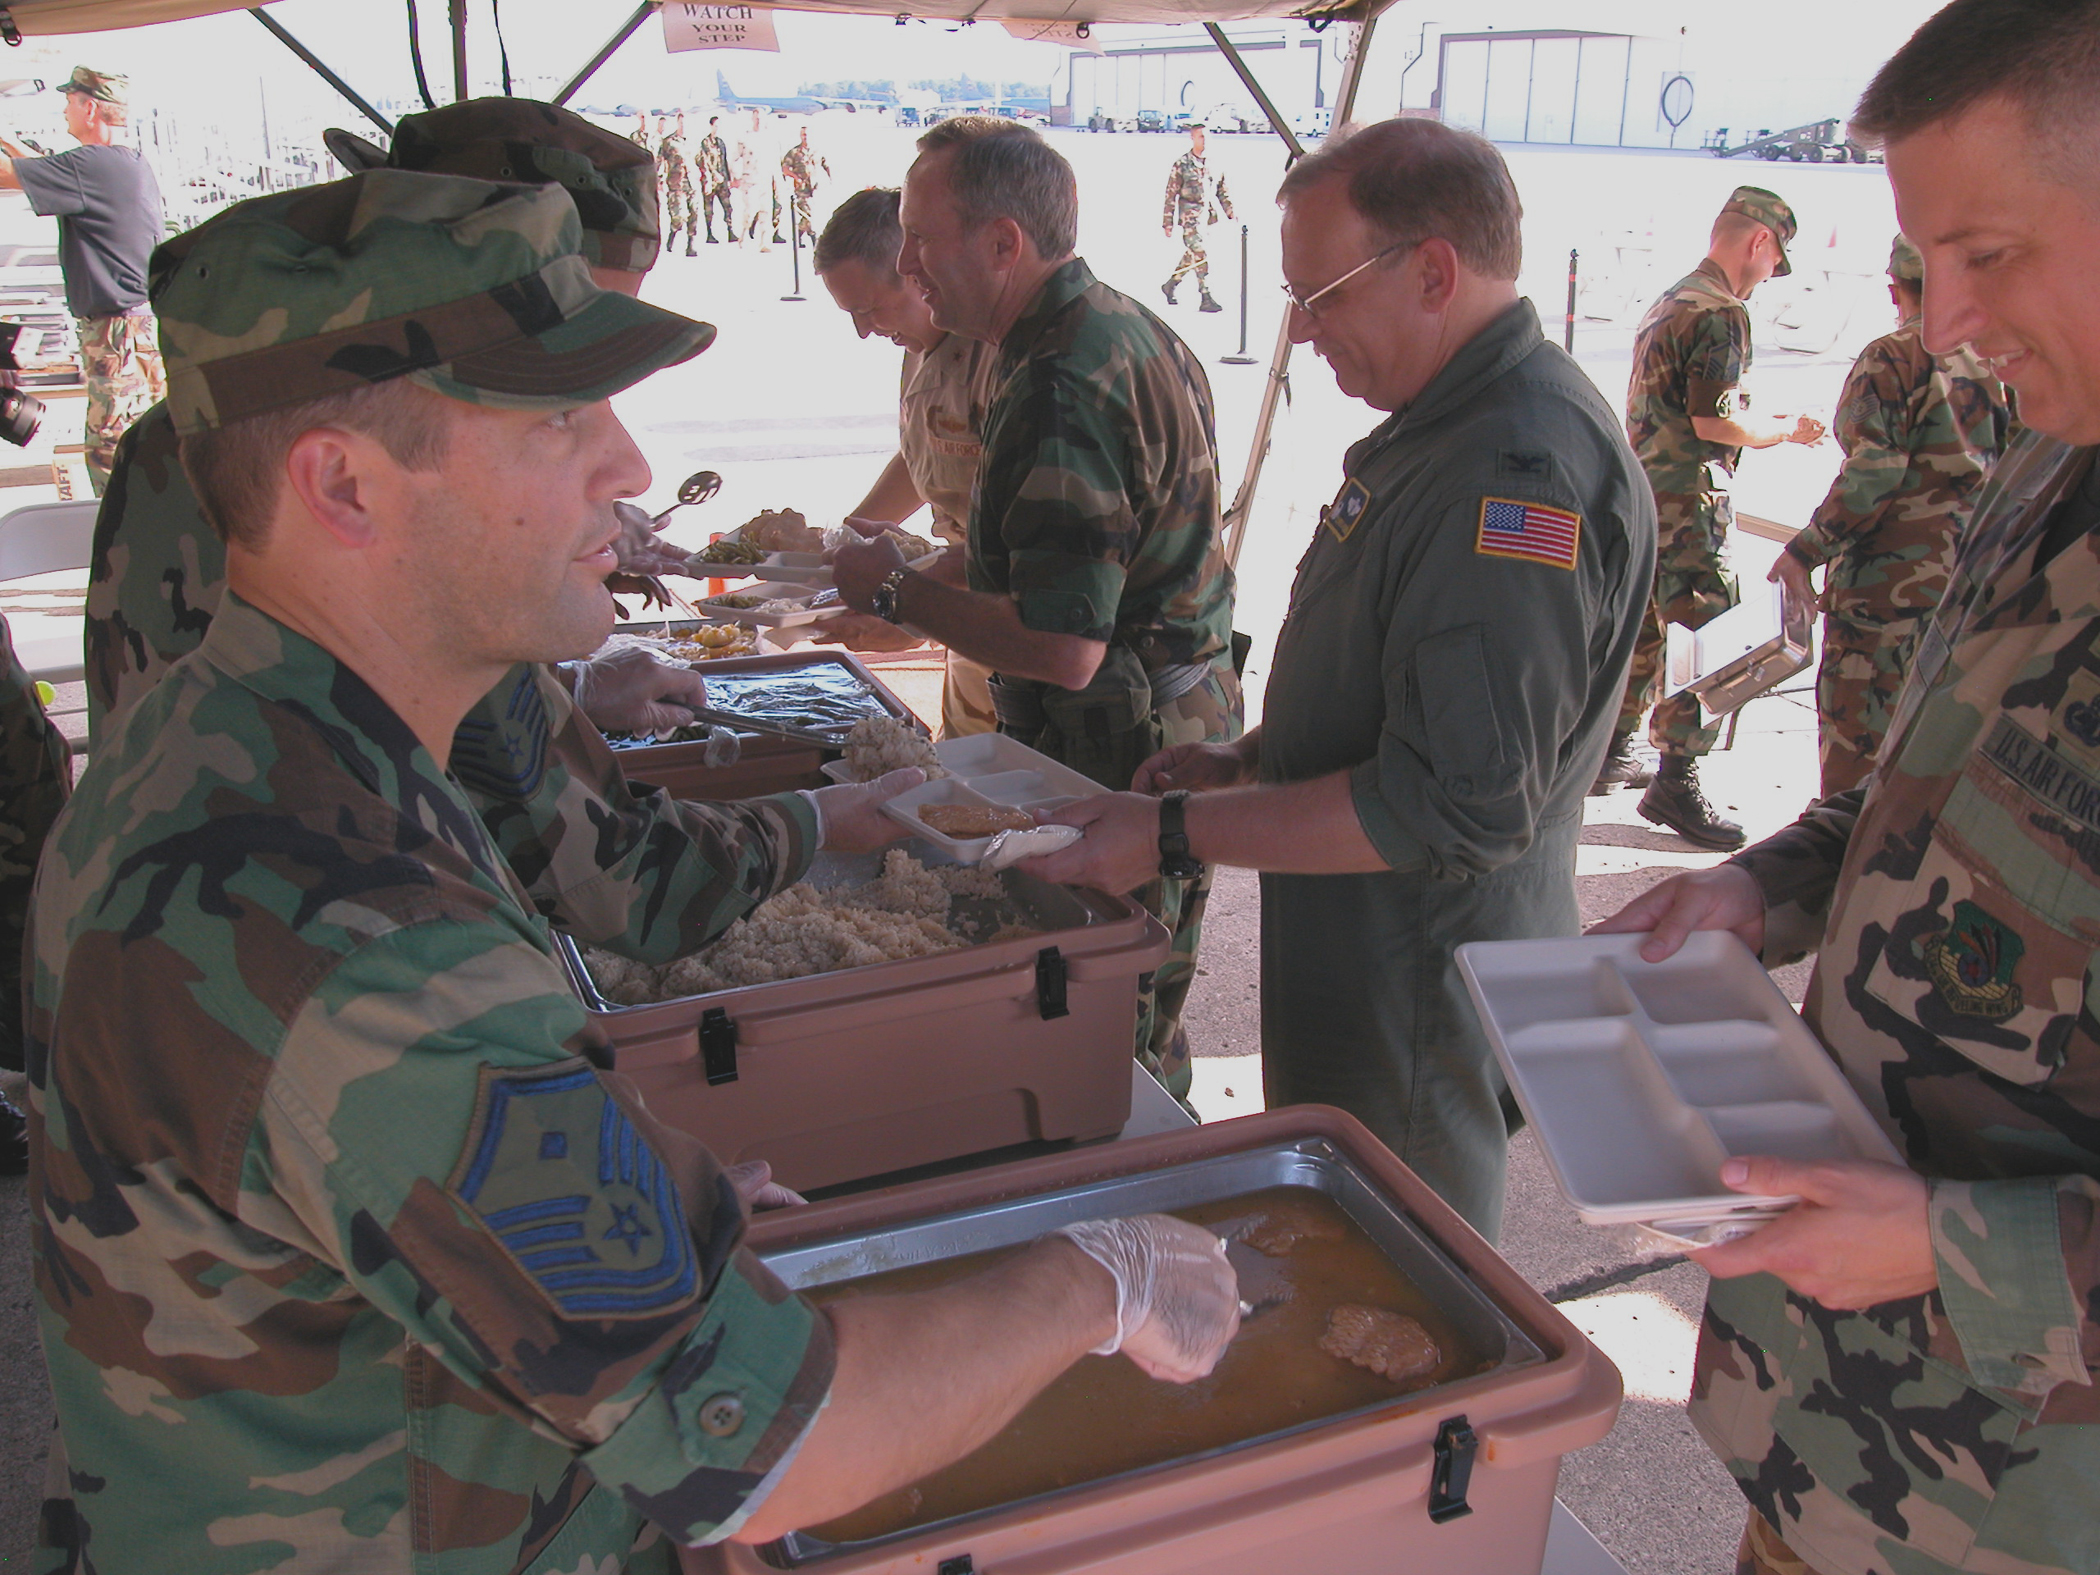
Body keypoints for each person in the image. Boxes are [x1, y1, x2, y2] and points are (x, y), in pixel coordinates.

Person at [25, 167, 1240, 1570]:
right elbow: (775, 1445)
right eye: (558, 419)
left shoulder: (233, 732)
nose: (632, 466)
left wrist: (646, 1189)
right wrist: (1094, 1276)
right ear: (343, 485)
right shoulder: (347, 920)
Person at [1593, 6, 2100, 1574]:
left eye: (1989, 254)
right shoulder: (2045, 465)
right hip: (1827, 1445)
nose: (1945, 322)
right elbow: (1919, 780)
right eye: (1923, 259)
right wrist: (1775, 879)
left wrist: (1948, 1245)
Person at [1024, 119, 1654, 1239]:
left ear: (1432, 272)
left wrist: (1170, 830)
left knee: (1398, 1291)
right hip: (1371, 956)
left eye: (1322, 295)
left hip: (1411, 984)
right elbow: (1410, 688)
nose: (1301, 330)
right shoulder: (1451, 427)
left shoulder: (1512, 473)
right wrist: (1252, 758)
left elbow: (1452, 799)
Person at [833, 118, 1242, 1101]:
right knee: (1128, 999)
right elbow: (1063, 546)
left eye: (923, 239)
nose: (910, 264)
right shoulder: (1119, 326)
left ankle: (1149, 1231)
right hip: (1168, 711)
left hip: (1130, 736)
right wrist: (923, 562)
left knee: (1106, 1016)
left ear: (1004, 243)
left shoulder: (1055, 382)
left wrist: (895, 594)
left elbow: (1064, 648)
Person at [1597, 185, 1827, 849]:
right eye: (1772, 260)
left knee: (1642, 626)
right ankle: (1677, 776)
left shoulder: (1670, 299)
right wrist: (1786, 429)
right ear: (1760, 242)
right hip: (1688, 498)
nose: (1766, 277)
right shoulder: (1724, 312)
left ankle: (1610, 749)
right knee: (1706, 634)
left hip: (1642, 489)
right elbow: (1714, 419)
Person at [1769, 234, 2012, 795]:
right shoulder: (1999, 355)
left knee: (1859, 756)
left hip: (1885, 596)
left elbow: (1874, 473)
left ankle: (1843, 871)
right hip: (1967, 587)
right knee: (1936, 749)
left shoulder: (1894, 356)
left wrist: (1803, 551)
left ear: (1894, 288)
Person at [813, 187, 1001, 737]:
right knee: (967, 789)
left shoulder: (1004, 358)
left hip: (1017, 624)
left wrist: (914, 612)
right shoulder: (920, 347)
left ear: (916, 274)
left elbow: (1033, 552)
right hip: (967, 620)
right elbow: (927, 453)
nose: (864, 330)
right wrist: (840, 546)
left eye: (869, 308)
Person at [0, 66, 164, 496]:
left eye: (70, 101)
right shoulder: (121, 164)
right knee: (145, 442)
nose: (64, 111)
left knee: (110, 451)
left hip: (116, 334)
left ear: (90, 108)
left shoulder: (90, 165)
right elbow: (43, 169)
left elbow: (9, 174)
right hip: (135, 326)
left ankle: (123, 548)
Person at [1161, 121, 1232, 313]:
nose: (1205, 140)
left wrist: (1231, 211)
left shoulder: (1214, 164)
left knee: (1192, 254)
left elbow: (1221, 190)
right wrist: (1167, 223)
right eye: (1200, 136)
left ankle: (1171, 284)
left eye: (1207, 136)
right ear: (1192, 138)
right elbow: (1170, 194)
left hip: (1206, 219)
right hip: (1189, 219)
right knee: (1200, 252)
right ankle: (1205, 296)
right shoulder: (1182, 164)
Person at [781, 122, 831, 246]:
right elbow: (785, 168)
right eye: (803, 135)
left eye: (807, 135)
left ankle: (797, 237)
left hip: (814, 188)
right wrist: (795, 177)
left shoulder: (817, 151)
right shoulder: (794, 152)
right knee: (808, 214)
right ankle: (814, 239)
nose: (805, 137)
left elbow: (826, 164)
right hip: (801, 189)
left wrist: (830, 178)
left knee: (810, 214)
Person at [658, 110, 699, 256]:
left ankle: (691, 245)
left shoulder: (693, 142)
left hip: (692, 183)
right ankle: (673, 232)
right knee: (679, 216)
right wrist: (660, 180)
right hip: (676, 184)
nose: (685, 126)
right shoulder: (669, 141)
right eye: (682, 123)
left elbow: (700, 161)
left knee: (694, 213)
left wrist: (706, 178)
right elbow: (660, 160)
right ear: (678, 123)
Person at [698, 113, 734, 243]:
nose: (717, 128)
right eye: (716, 126)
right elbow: (705, 161)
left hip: (722, 180)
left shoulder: (720, 143)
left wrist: (729, 178)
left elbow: (724, 160)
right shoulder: (705, 143)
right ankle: (709, 233)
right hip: (710, 181)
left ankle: (730, 230)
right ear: (711, 126)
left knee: (728, 206)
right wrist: (713, 175)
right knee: (709, 209)